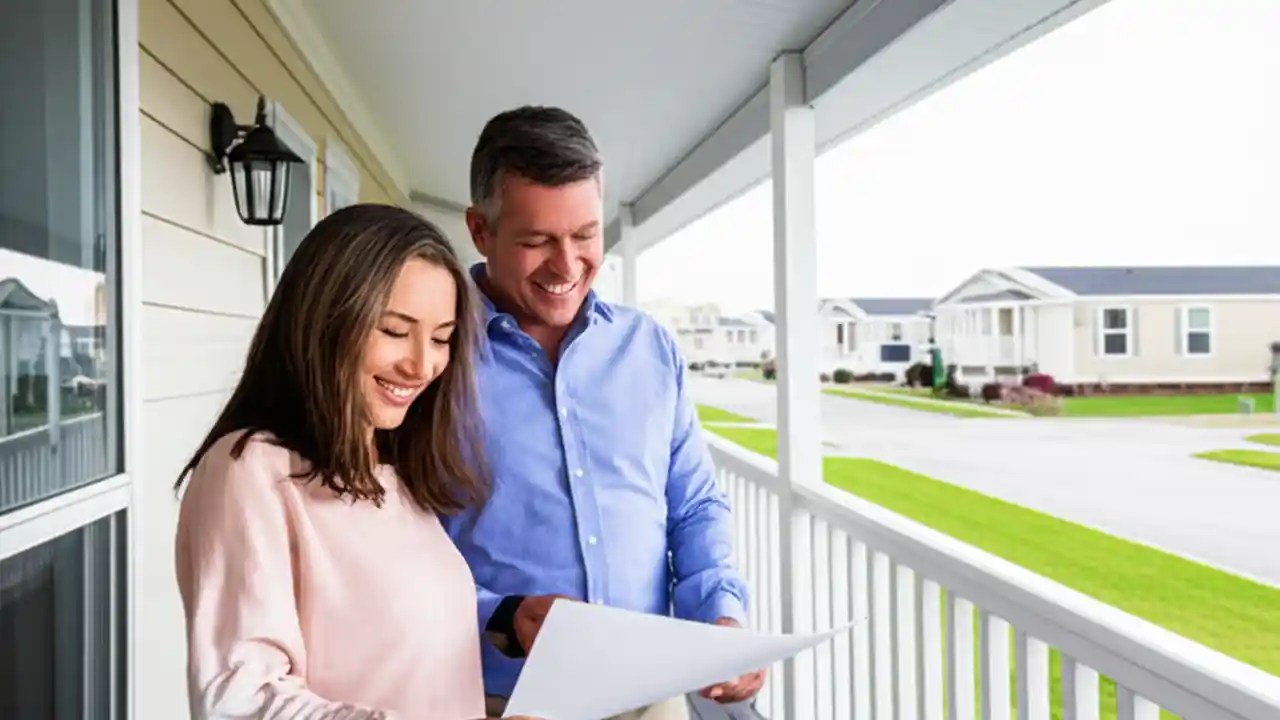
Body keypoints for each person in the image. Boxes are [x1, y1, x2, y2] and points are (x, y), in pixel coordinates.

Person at [441, 106, 765, 720]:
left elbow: (693, 505)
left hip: (648, 692)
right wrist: (498, 615)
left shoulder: (649, 349)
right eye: (537, 241)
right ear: (480, 231)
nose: (568, 267)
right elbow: (397, 546)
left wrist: (720, 613)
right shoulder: (431, 356)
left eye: (585, 235)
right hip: (497, 698)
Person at [173, 204, 528, 719]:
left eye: (441, 338)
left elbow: (399, 657)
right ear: (323, 321)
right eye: (393, 330)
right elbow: (241, 702)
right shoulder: (250, 470)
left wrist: (507, 622)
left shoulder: (392, 470)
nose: (422, 364)